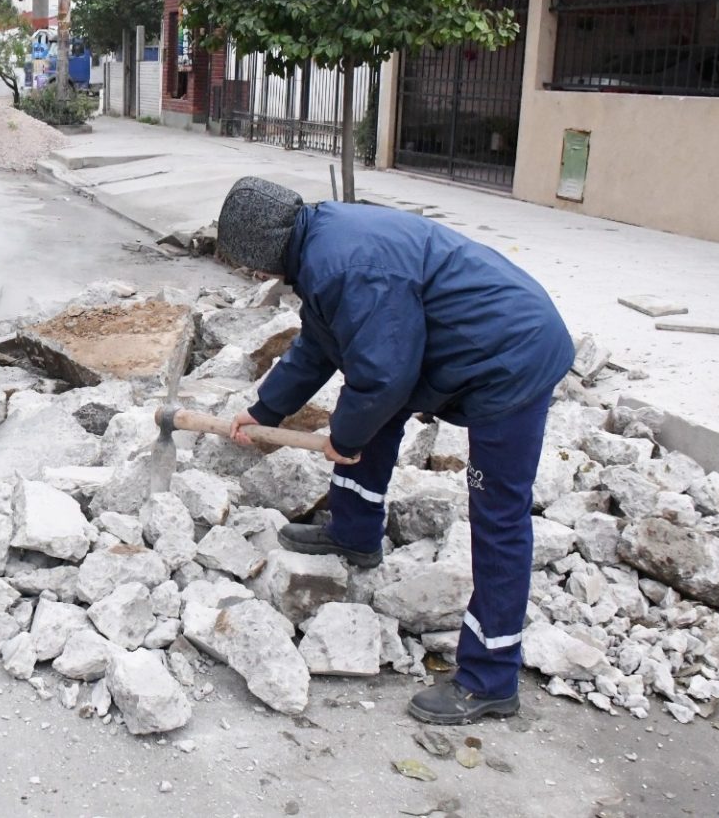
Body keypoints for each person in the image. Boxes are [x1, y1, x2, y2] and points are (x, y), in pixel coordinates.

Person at [217, 177, 574, 726]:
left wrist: (345, 438)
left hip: (510, 356)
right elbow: (322, 342)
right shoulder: (321, 242)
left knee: (498, 513)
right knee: (370, 408)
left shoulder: (345, 265)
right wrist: (264, 410)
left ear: (264, 251)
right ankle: (355, 533)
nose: (255, 275)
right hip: (462, 345)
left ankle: (491, 678)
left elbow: (385, 376)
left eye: (250, 265)